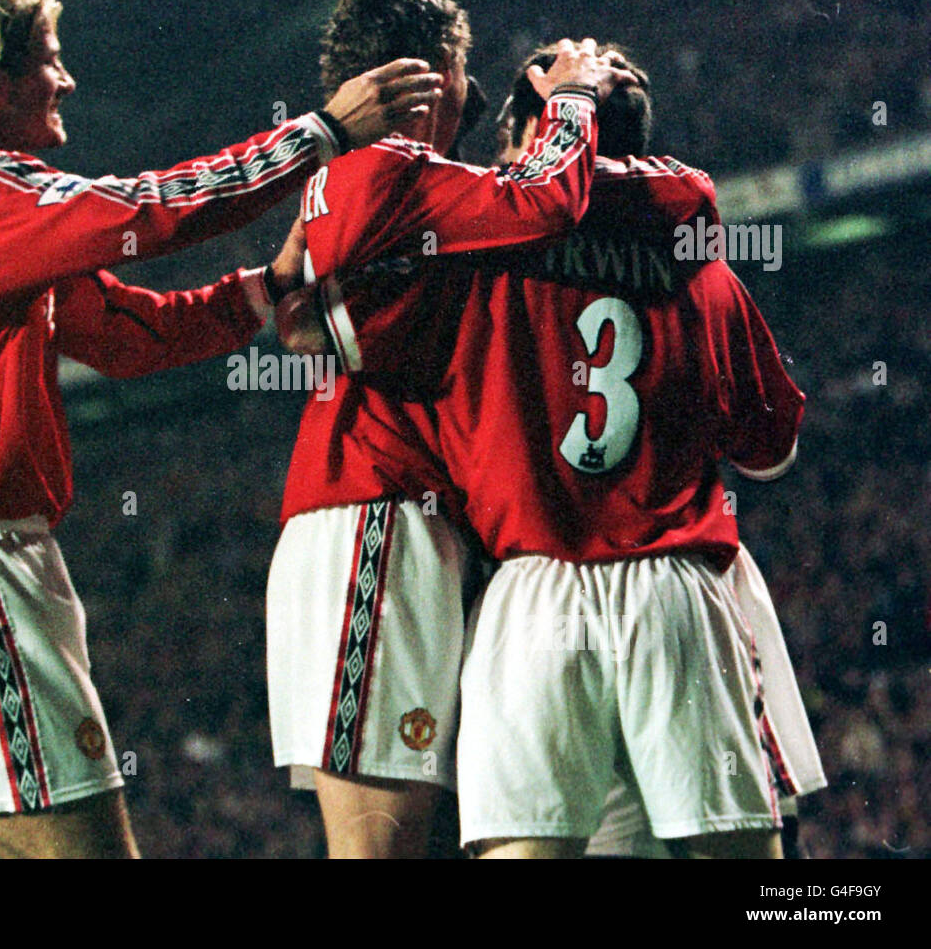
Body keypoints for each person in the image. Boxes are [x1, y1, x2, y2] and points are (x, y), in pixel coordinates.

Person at [0, 0, 439, 858]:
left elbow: (130, 334)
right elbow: (149, 210)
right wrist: (317, 135)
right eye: (50, 59)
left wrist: (263, 290)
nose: (68, 79)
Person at [286, 42, 807, 859]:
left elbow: (312, 331)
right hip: (675, 589)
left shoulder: (467, 258)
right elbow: (771, 449)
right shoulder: (703, 265)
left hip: (530, 595)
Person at [262, 0, 635, 858]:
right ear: (436, 73)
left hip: (378, 523)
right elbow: (545, 202)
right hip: (371, 522)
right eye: (460, 72)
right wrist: (573, 102)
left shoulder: (352, 179)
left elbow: (295, 320)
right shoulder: (391, 170)